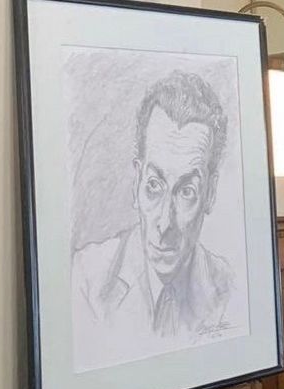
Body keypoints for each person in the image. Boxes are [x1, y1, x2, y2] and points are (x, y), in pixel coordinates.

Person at [72, 70, 233, 339]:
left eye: (187, 191)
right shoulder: (87, 277)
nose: (165, 223)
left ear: (211, 193)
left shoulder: (228, 287)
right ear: (137, 181)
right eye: (154, 186)